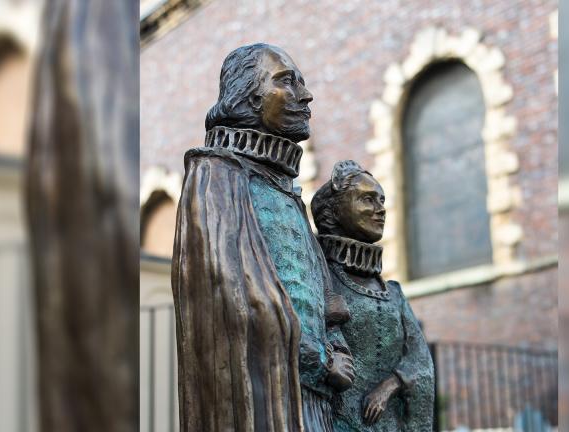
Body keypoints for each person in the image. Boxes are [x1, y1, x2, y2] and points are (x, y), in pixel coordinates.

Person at [172, 43, 354, 432]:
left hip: (313, 401)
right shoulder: (217, 177)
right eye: (286, 82)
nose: (305, 96)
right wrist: (320, 362)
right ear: (248, 98)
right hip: (262, 404)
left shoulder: (286, 191)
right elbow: (237, 296)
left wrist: (336, 345)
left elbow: (327, 299)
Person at [311, 160, 435, 431]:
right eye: (368, 199)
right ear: (334, 211)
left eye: (381, 200)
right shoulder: (318, 280)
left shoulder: (394, 294)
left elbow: (420, 360)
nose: (380, 209)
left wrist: (389, 385)